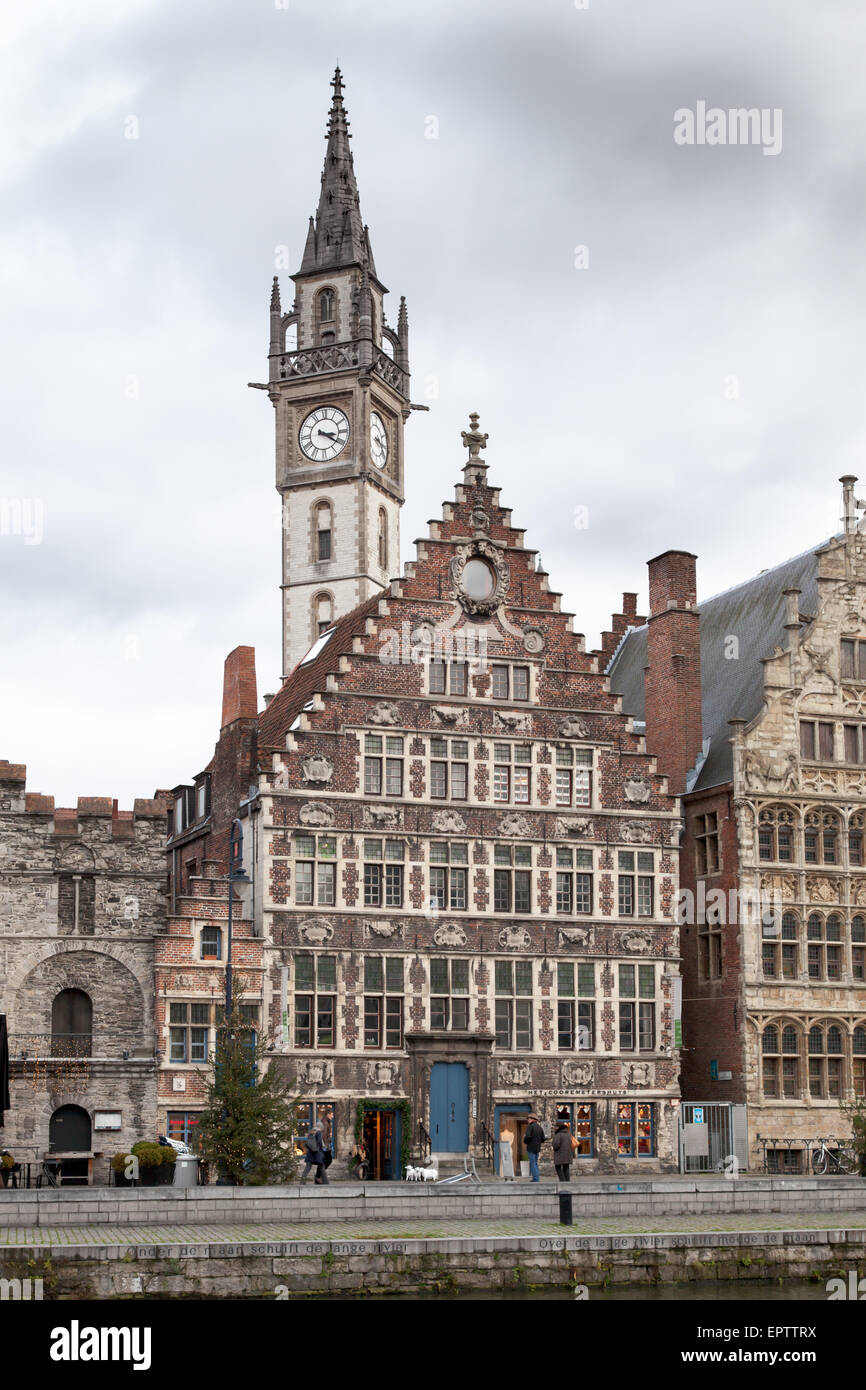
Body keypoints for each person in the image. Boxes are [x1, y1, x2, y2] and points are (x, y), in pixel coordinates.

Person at [523, 1114, 545, 1182]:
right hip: (537, 1148)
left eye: (528, 1118)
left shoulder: (530, 1126)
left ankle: (535, 1179)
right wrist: (537, 1141)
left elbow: (528, 1137)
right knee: (535, 1163)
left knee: (533, 1163)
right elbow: (543, 1139)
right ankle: (536, 1178)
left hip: (531, 1148)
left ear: (533, 1119)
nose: (527, 1120)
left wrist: (525, 1140)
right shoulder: (539, 1127)